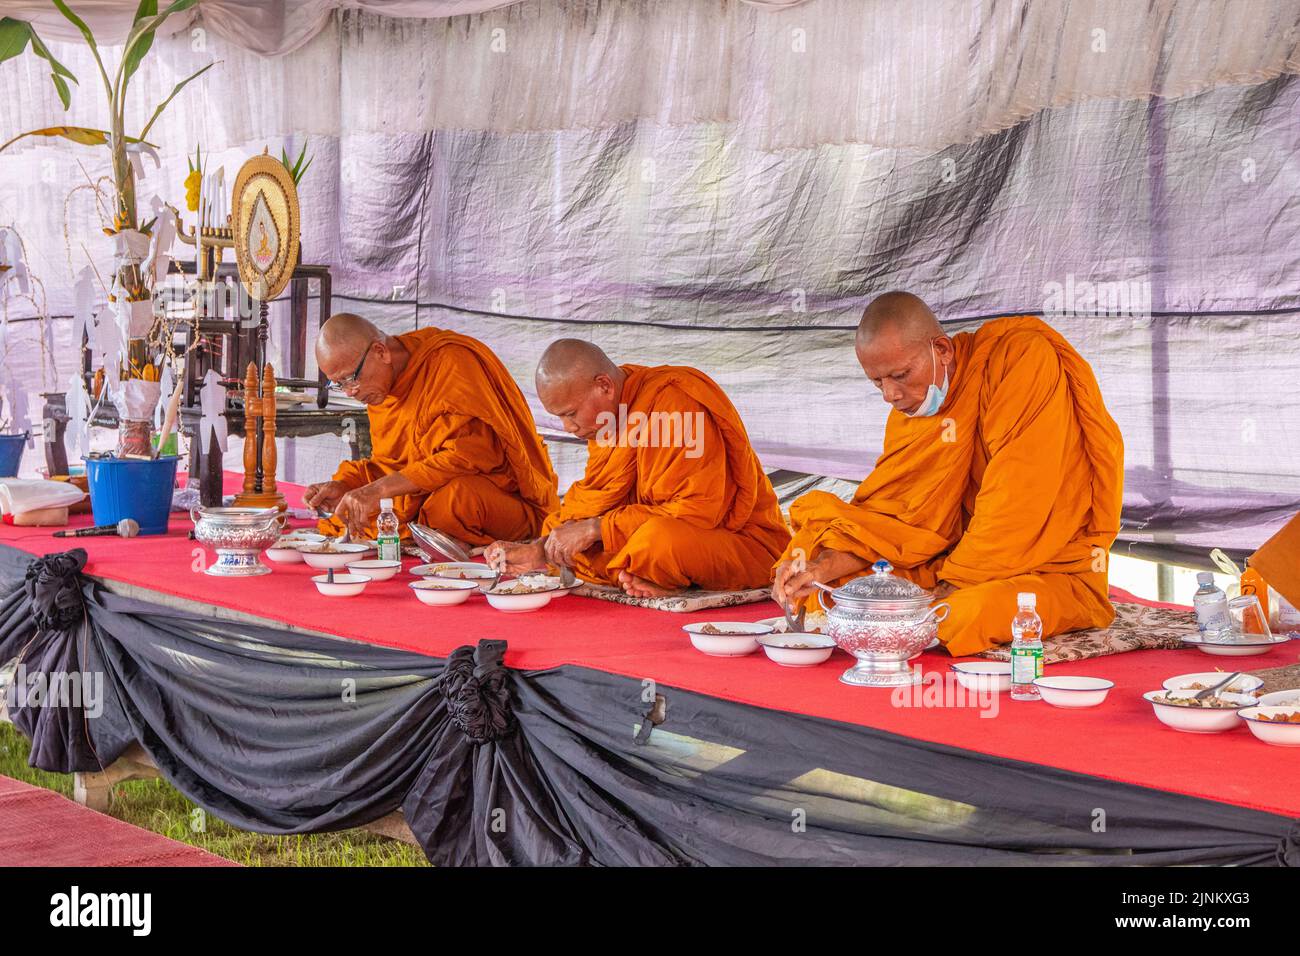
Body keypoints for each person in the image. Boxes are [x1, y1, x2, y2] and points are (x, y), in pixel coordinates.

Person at [772, 291, 1124, 656]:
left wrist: (956, 584)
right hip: (949, 560)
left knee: (960, 614)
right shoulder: (914, 410)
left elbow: (1018, 501)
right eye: (877, 382)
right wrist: (821, 567)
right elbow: (894, 521)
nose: (890, 395)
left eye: (901, 375)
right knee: (837, 594)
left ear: (941, 349)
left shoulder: (1020, 359)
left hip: (1047, 568)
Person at [485, 339, 790, 597]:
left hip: (735, 540)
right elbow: (597, 499)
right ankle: (648, 574)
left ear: (604, 385)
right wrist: (542, 548)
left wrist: (596, 529)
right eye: (560, 417)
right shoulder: (612, 416)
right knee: (565, 528)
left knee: (658, 542)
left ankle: (650, 570)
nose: (568, 427)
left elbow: (698, 512)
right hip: (643, 532)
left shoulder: (674, 403)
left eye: (571, 413)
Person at [304, 314, 558, 543]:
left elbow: (472, 456)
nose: (350, 393)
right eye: (338, 384)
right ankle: (424, 531)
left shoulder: (450, 362)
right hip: (425, 494)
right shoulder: (381, 388)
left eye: (350, 379)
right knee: (349, 508)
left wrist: (378, 490)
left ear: (381, 352)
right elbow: (395, 465)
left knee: (452, 503)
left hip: (495, 496)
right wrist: (349, 487)